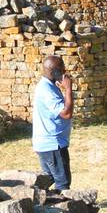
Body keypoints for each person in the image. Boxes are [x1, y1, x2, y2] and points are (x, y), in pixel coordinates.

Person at [31, 54, 74, 191]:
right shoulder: (47, 90)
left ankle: (42, 208)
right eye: (62, 70)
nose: (64, 72)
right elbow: (66, 113)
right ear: (54, 72)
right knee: (62, 183)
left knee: (47, 180)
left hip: (46, 144)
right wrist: (68, 89)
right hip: (53, 144)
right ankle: (63, 211)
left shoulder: (47, 86)